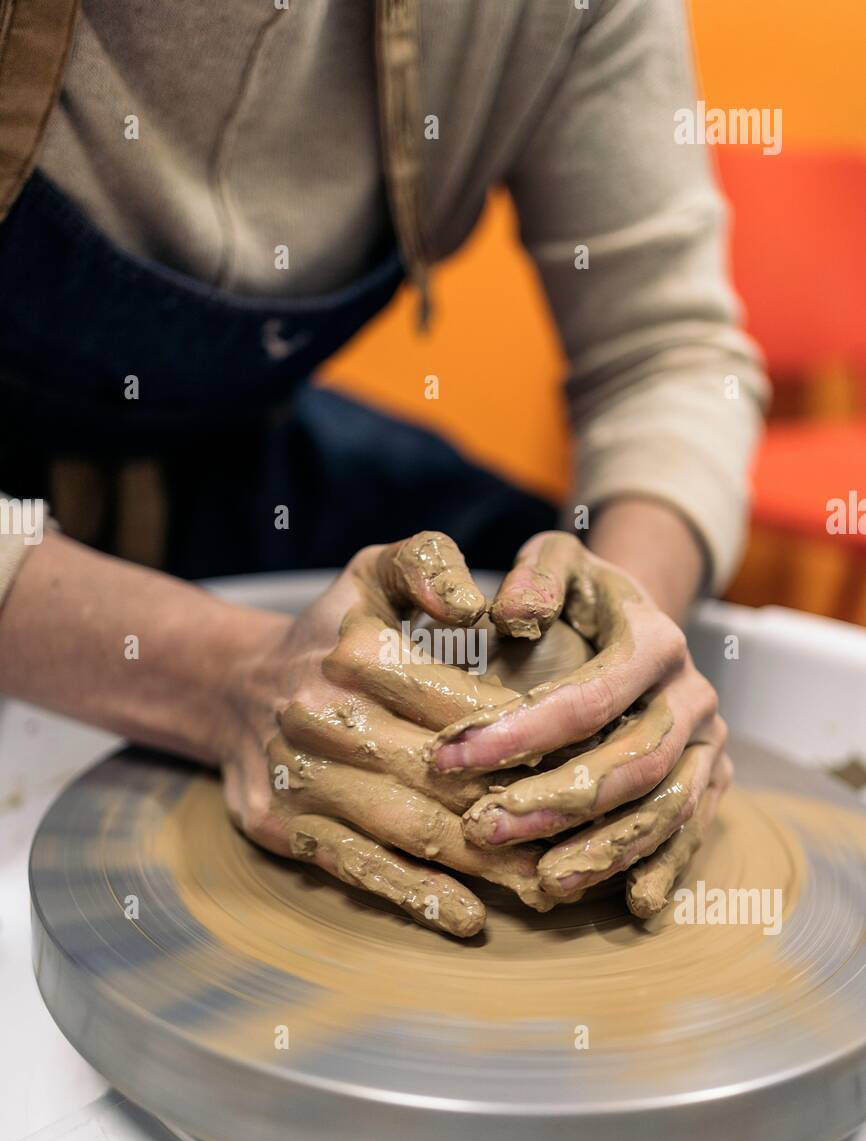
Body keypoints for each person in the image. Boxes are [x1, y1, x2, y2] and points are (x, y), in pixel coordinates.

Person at [0, 1, 765, 933]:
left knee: (507, 607)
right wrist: (218, 679)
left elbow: (666, 353)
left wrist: (619, 678)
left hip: (231, 444)